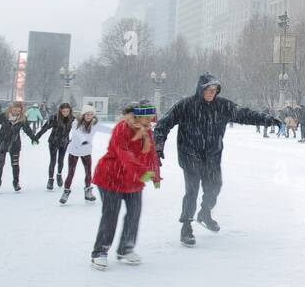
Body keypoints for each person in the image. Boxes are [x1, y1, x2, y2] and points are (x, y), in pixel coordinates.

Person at [154, 73, 274, 247]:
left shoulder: (222, 106)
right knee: (192, 192)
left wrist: (267, 120)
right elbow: (164, 124)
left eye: (215, 90)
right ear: (201, 89)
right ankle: (186, 226)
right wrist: (158, 144)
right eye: (208, 90)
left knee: (214, 188)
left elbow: (244, 114)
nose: (211, 93)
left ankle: (205, 213)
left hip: (212, 157)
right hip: (190, 156)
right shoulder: (186, 106)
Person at [89, 103, 161, 271]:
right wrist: (142, 172)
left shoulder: (147, 130)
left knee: (134, 213)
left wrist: (156, 175)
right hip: (111, 177)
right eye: (148, 118)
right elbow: (124, 155)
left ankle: (126, 248)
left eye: (152, 118)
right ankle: (100, 252)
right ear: (138, 116)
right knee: (111, 215)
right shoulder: (122, 128)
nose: (151, 122)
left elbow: (151, 154)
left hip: (133, 179)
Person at [0, 101, 37, 193]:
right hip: (2, 144)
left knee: (15, 164)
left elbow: (27, 129)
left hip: (15, 145)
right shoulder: (4, 116)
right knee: (0, 164)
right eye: (15, 110)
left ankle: (16, 183)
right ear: (11, 109)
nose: (16, 112)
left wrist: (33, 138)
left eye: (19, 111)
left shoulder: (22, 119)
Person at [34, 102, 74, 191]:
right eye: (64, 111)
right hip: (53, 142)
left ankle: (59, 175)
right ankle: (50, 180)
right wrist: (37, 136)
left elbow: (78, 130)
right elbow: (45, 127)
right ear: (60, 111)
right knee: (53, 160)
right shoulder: (54, 118)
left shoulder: (72, 119)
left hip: (64, 142)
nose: (66, 113)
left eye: (67, 111)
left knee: (61, 160)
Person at [63, 105, 99, 204]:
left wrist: (118, 131)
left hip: (86, 152)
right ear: (83, 114)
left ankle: (88, 192)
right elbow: (75, 133)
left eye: (91, 114)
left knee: (88, 173)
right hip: (74, 151)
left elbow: (106, 129)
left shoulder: (94, 124)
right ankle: (66, 192)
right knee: (71, 172)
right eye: (87, 114)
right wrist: (83, 140)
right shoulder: (76, 123)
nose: (89, 116)